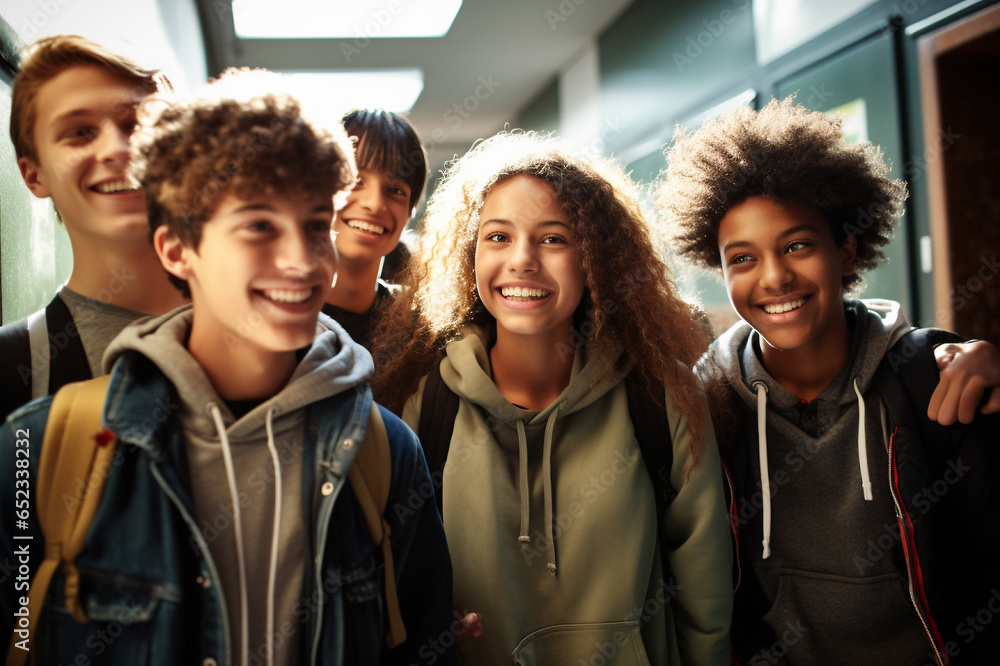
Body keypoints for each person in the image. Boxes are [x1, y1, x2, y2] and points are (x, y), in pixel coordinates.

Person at [0, 69, 453, 665]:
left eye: (315, 225)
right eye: (259, 227)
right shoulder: (41, 448)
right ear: (176, 249)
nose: (300, 261)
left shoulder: (383, 453)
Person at [656, 96, 1000, 665]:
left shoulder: (931, 376)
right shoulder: (704, 406)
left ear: (846, 250)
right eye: (742, 258)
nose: (774, 277)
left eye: (797, 246)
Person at [371, 131, 733, 665]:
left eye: (553, 239)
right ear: (470, 255)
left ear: (595, 258)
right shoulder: (423, 404)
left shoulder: (662, 396)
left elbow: (706, 599)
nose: (522, 260)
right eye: (498, 236)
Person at [0, 35, 188, 422]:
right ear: (34, 175)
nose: (117, 149)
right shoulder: (11, 365)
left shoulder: (281, 336)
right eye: (81, 132)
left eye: (137, 124)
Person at [322, 108, 427, 350]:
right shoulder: (279, 310)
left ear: (409, 212)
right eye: (356, 180)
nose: (375, 204)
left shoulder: (420, 330)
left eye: (395, 190)